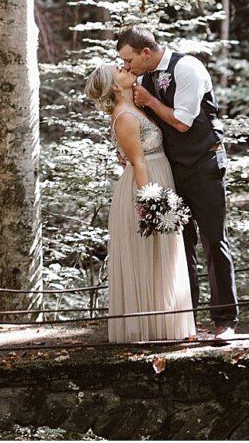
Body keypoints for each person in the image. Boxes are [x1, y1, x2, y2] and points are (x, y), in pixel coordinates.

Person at [115, 25, 239, 337]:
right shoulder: (140, 79)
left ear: (146, 53)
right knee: (180, 244)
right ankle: (186, 318)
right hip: (170, 170)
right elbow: (133, 121)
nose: (126, 67)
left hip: (204, 164)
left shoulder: (188, 68)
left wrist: (150, 100)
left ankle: (225, 320)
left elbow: (183, 122)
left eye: (129, 60)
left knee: (214, 240)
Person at [83, 63, 196, 343]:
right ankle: (148, 329)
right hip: (145, 184)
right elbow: (138, 162)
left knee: (162, 257)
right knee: (150, 252)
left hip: (159, 175)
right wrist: (152, 205)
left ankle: (163, 324)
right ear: (113, 86)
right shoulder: (124, 117)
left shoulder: (135, 106)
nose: (126, 68)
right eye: (119, 70)